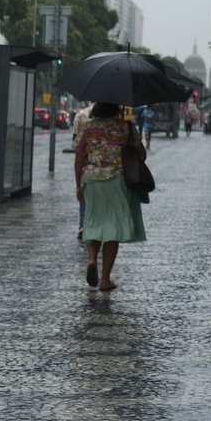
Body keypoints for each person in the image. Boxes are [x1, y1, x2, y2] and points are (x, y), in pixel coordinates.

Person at [74, 102, 146, 292]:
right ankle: (105, 280)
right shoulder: (125, 127)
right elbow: (142, 154)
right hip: (117, 180)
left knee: (93, 223)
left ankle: (91, 260)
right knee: (113, 230)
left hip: (92, 180)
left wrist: (78, 185)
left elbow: (79, 157)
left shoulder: (88, 128)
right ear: (115, 109)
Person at [70, 103, 94, 239]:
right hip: (109, 169)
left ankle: (83, 224)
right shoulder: (114, 116)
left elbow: (75, 141)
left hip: (86, 164)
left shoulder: (81, 115)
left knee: (84, 191)